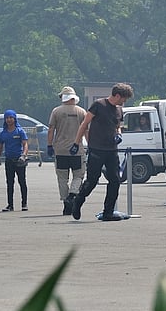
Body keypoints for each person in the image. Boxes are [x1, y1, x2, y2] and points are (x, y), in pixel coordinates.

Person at [70, 82, 134, 222]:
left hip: (112, 150)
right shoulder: (99, 105)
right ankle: (78, 201)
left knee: (115, 181)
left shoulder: (119, 110)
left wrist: (119, 134)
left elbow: (118, 126)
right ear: (117, 95)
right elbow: (84, 124)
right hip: (97, 149)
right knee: (93, 180)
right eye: (124, 98)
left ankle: (108, 212)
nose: (124, 102)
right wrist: (76, 142)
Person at [47, 86, 87, 215]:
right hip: (77, 150)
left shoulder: (56, 111)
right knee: (78, 175)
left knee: (62, 178)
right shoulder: (81, 112)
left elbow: (51, 129)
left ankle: (66, 202)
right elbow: (86, 130)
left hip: (60, 150)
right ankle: (72, 195)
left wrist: (49, 145)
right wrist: (90, 146)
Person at [0, 110, 30, 212]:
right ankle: (10, 205)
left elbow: (25, 144)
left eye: (11, 117)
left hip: (19, 160)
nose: (9, 120)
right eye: (7, 118)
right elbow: (0, 147)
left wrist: (23, 155)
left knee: (22, 182)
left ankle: (24, 204)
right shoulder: (3, 133)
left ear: (14, 119)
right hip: (9, 160)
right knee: (10, 183)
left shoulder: (20, 131)